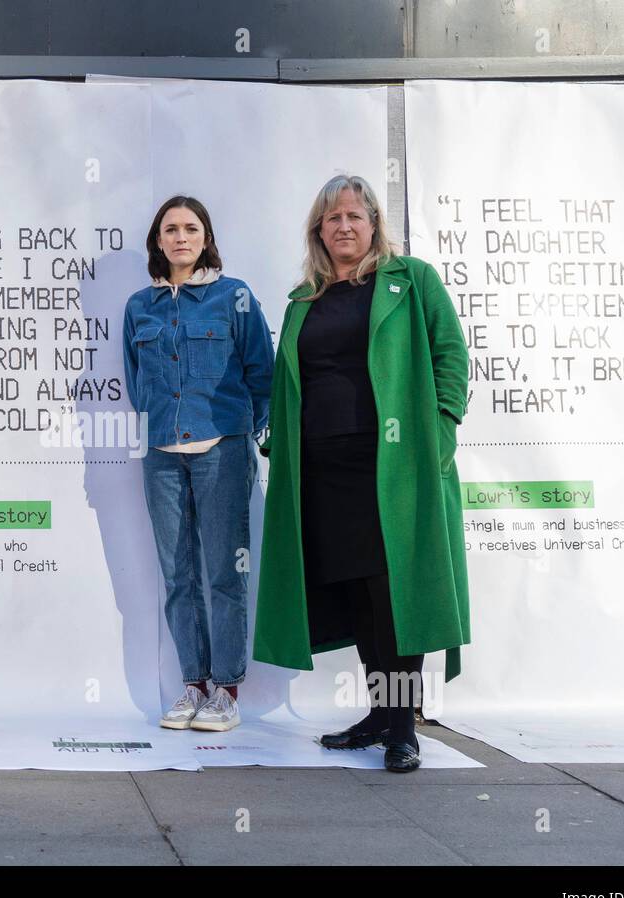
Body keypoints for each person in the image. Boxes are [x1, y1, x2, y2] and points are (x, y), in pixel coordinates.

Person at [253, 174, 470, 772]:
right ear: (318, 231)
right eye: (331, 219)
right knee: (355, 594)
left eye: (354, 215)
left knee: (391, 594)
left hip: (392, 466)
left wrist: (442, 428)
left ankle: (403, 724)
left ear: (373, 223)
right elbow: (288, 381)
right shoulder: (305, 298)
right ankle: (379, 713)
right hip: (322, 469)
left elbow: (450, 353)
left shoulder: (412, 280)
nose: (343, 226)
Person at [123, 195, 274, 732]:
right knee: (177, 574)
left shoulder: (234, 296)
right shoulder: (140, 306)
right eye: (170, 229)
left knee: (224, 574)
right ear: (157, 241)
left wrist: (249, 434)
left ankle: (227, 689)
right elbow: (137, 379)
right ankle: (193, 683)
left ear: (206, 238)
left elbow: (263, 371)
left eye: (191, 228)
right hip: (161, 456)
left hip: (222, 452)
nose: (181, 238)